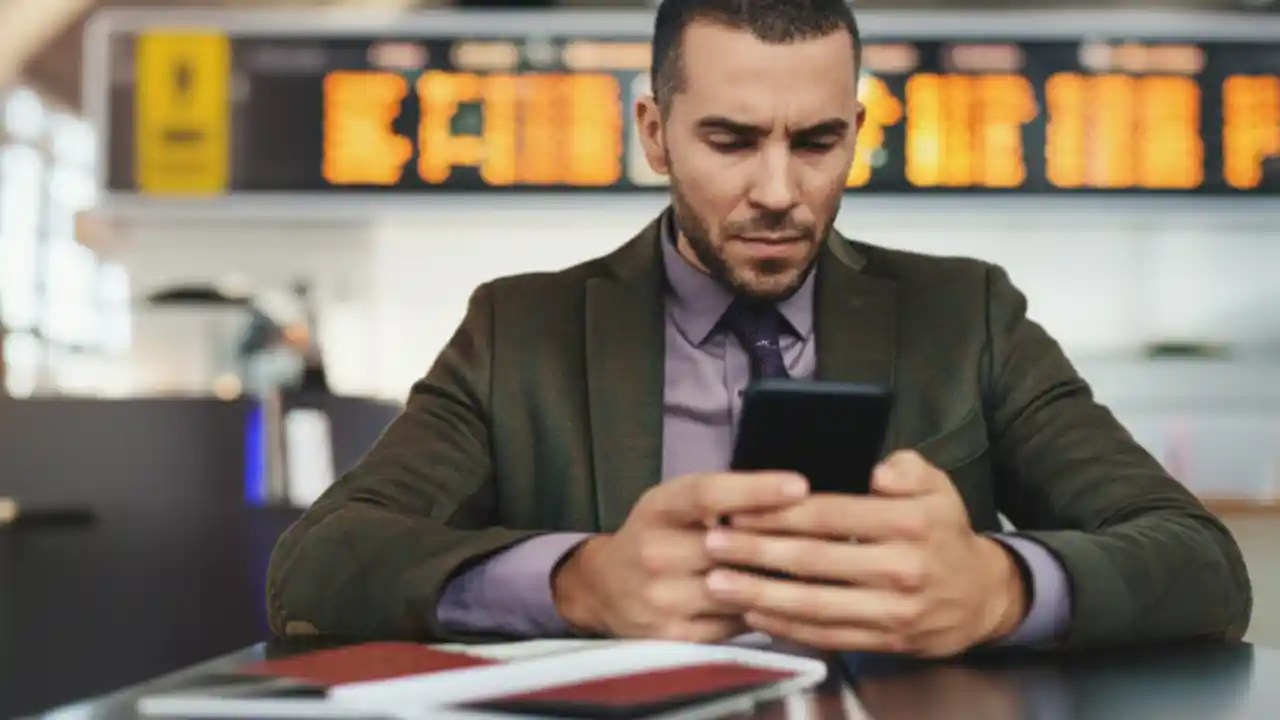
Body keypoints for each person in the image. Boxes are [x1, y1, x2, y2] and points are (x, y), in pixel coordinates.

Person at [266, 0, 1251, 656]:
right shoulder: (519, 329)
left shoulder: (967, 315)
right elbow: (317, 569)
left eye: (816, 142)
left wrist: (997, 588)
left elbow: (1195, 564)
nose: (778, 193)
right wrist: (577, 583)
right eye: (729, 141)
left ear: (854, 133)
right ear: (652, 132)